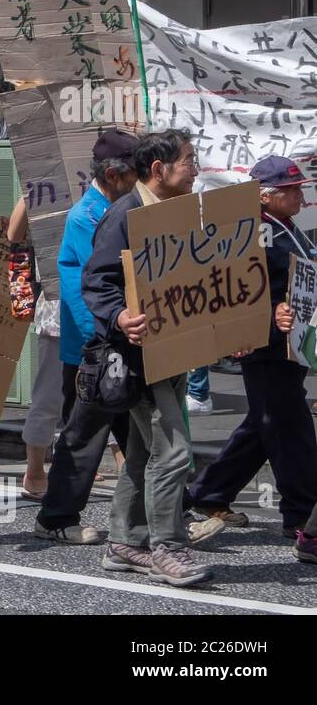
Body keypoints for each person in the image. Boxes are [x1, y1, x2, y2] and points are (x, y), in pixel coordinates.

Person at [84, 130, 212, 587]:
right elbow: (95, 281)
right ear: (158, 170)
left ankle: (123, 542)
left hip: (175, 349)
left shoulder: (178, 210)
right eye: (189, 160)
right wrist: (121, 317)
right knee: (173, 450)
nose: (195, 168)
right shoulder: (125, 215)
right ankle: (168, 547)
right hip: (139, 356)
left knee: (143, 453)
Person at [189, 156, 317, 538]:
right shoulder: (252, 230)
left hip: (291, 340)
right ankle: (301, 515)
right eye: (291, 190)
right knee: (291, 428)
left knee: (264, 424)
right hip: (264, 344)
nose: (299, 195)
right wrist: (267, 316)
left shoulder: (288, 225)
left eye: (299, 188)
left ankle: (207, 492)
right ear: (265, 195)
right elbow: (235, 290)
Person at [23, 130, 138, 510]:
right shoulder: (87, 216)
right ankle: (56, 514)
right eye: (134, 172)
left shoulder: (116, 209)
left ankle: (171, 508)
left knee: (131, 431)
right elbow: (95, 285)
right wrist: (108, 332)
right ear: (113, 175)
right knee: (83, 432)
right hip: (95, 342)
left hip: (113, 338)